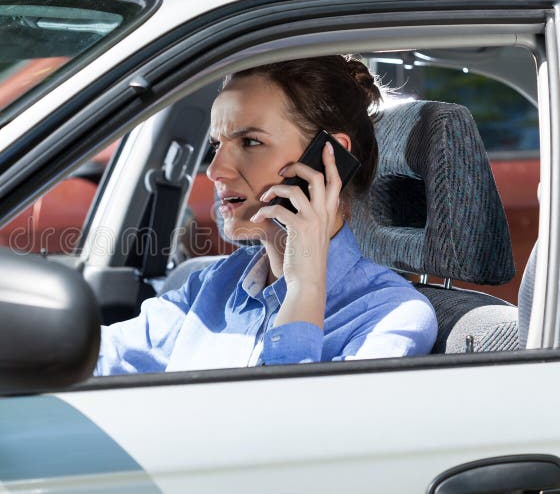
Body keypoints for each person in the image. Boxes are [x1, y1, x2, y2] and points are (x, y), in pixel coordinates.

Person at [95, 56, 437, 375]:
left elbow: (288, 430)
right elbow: (98, 356)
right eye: (217, 145)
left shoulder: (390, 317)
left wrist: (304, 289)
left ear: (327, 156)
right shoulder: (213, 284)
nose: (215, 170)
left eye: (250, 142)